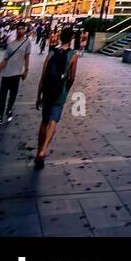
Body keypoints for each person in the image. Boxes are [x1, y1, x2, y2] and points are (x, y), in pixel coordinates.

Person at [34, 28, 79, 169]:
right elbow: (72, 77)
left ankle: (38, 150)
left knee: (44, 121)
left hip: (47, 91)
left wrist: (38, 95)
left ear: (60, 37)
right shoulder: (73, 55)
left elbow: (42, 76)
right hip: (59, 92)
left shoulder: (52, 52)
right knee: (53, 121)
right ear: (71, 38)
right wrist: (66, 90)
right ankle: (43, 151)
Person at [0, 21, 32, 127]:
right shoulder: (10, 45)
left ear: (24, 30)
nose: (20, 31)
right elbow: (5, 60)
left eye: (21, 29)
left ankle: (9, 109)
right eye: (18, 29)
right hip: (6, 74)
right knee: (2, 97)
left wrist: (26, 70)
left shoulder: (27, 43)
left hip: (17, 75)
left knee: (13, 96)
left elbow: (27, 57)